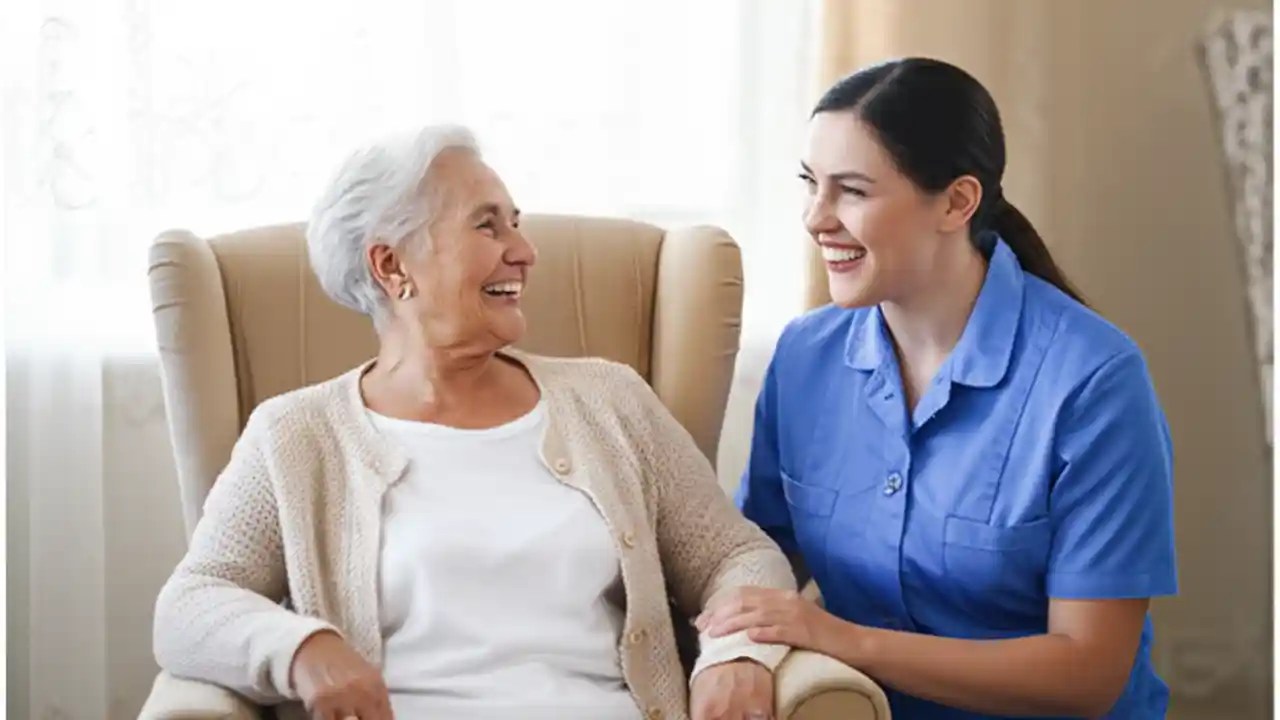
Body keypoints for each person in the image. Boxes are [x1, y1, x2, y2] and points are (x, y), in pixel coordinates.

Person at [153, 124, 793, 720]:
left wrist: (736, 653)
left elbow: (735, 556)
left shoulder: (609, 400)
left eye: (516, 224)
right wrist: (299, 648)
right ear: (391, 265)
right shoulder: (296, 435)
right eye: (488, 227)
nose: (525, 251)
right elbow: (190, 606)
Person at [697, 58, 1178, 719]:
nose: (815, 218)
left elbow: (1087, 672)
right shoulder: (805, 359)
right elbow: (757, 553)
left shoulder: (1093, 384)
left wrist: (846, 640)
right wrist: (736, 654)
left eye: (853, 191)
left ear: (957, 202)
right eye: (811, 184)